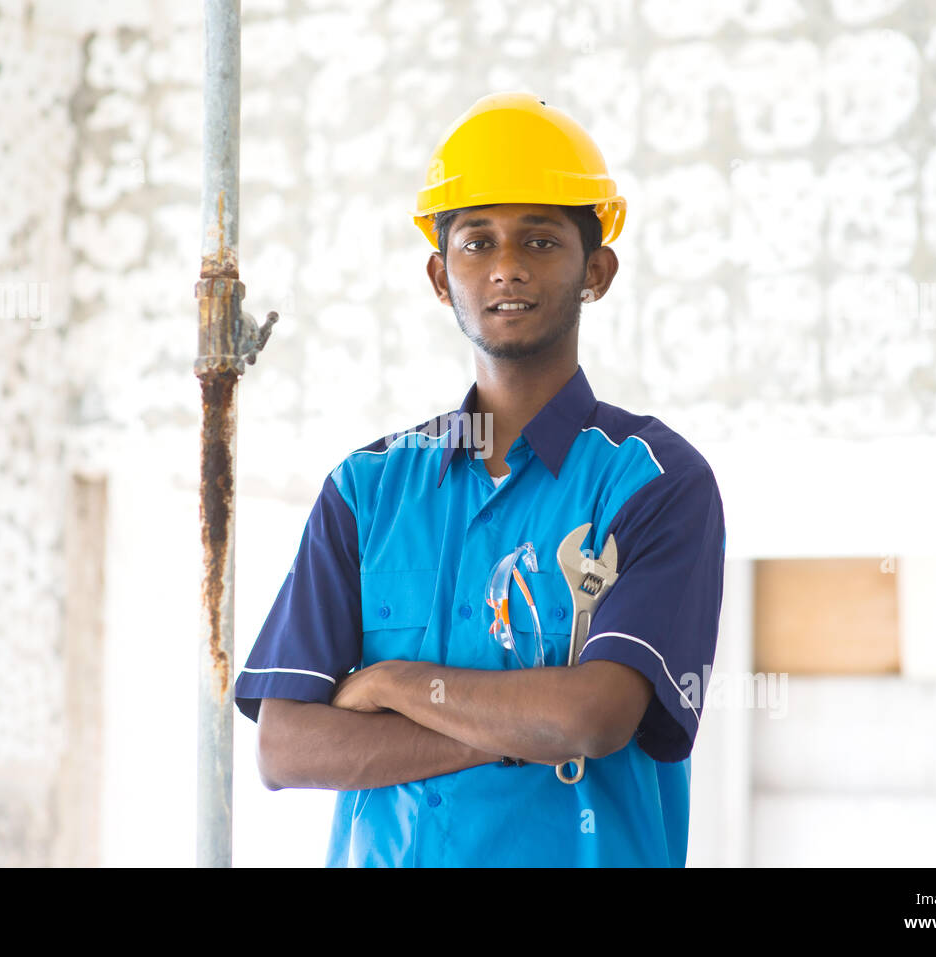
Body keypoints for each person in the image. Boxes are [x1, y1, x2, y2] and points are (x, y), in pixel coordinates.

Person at [234, 92, 727, 867]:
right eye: (476, 241)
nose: (506, 267)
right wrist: (518, 722)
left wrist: (394, 682)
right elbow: (287, 746)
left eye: (540, 240)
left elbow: (593, 718)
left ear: (595, 269)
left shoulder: (655, 483)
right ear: (439, 275)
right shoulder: (366, 491)